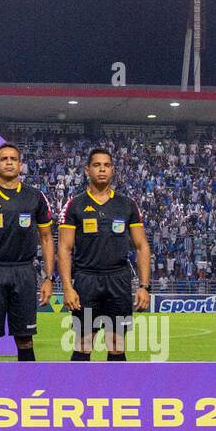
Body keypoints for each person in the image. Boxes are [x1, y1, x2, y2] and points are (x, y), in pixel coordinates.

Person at [57, 147, 151, 360]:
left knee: (117, 345)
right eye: (97, 165)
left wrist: (144, 286)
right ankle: (77, 393)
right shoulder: (75, 205)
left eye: (106, 165)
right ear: (87, 170)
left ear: (112, 170)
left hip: (118, 279)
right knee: (83, 344)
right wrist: (67, 287)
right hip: (86, 279)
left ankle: (117, 393)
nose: (102, 169)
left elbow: (141, 245)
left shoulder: (127, 205)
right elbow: (64, 248)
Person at [0, 143, 54, 361]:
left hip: (24, 271)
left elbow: (46, 238)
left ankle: (29, 392)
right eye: (3, 159)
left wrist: (48, 278)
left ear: (20, 165)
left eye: (13, 159)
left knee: (25, 338)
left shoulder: (35, 197)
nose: (8, 162)